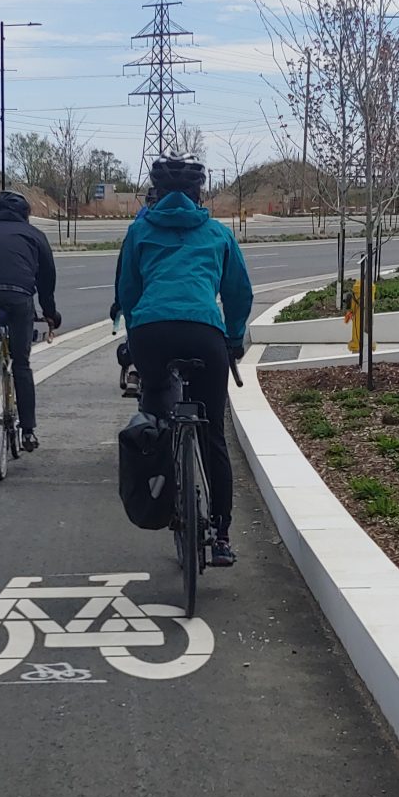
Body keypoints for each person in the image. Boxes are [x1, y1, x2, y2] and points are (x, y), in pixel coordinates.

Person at [114, 156, 253, 568]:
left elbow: (127, 292)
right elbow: (239, 293)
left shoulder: (139, 231)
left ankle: (163, 497)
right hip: (204, 333)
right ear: (199, 193)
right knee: (212, 434)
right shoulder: (218, 233)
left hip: (152, 334)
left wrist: (137, 335)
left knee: (156, 416)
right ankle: (222, 535)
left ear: (156, 192)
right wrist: (233, 339)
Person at [0, 188, 59, 451]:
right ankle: (27, 431)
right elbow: (47, 280)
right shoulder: (34, 235)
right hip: (20, 297)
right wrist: (50, 313)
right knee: (22, 364)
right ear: (25, 213)